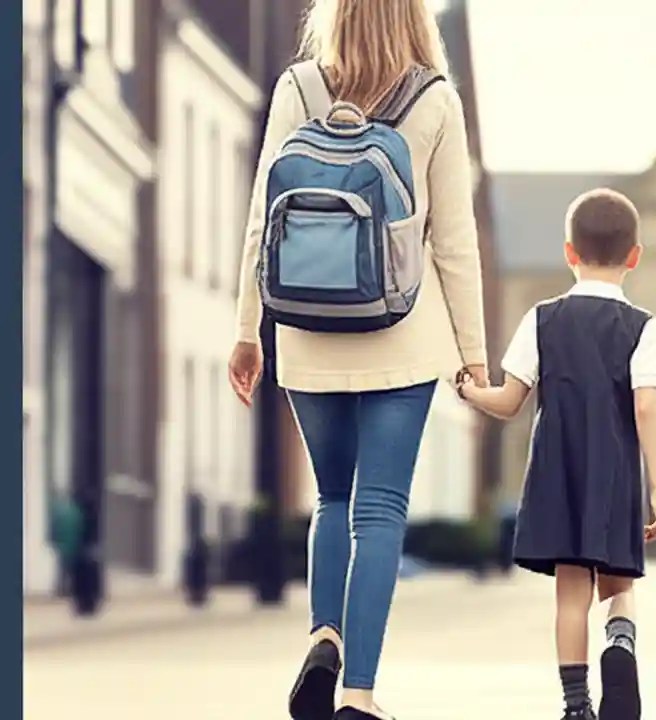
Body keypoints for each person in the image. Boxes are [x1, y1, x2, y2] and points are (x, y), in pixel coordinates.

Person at [226, 2, 488, 719]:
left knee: (332, 499)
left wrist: (249, 330)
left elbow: (260, 218)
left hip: (307, 332)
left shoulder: (298, 89)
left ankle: (324, 632)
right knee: (379, 510)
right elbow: (455, 241)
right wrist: (474, 358)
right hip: (403, 336)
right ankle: (360, 693)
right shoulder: (435, 99)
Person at [457, 188, 656, 720]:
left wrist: (468, 392)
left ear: (569, 253)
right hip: (616, 473)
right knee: (619, 584)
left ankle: (577, 706)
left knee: (571, 596)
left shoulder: (542, 318)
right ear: (635, 254)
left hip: (559, 472)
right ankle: (619, 642)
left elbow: (509, 402)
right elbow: (647, 408)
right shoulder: (644, 326)